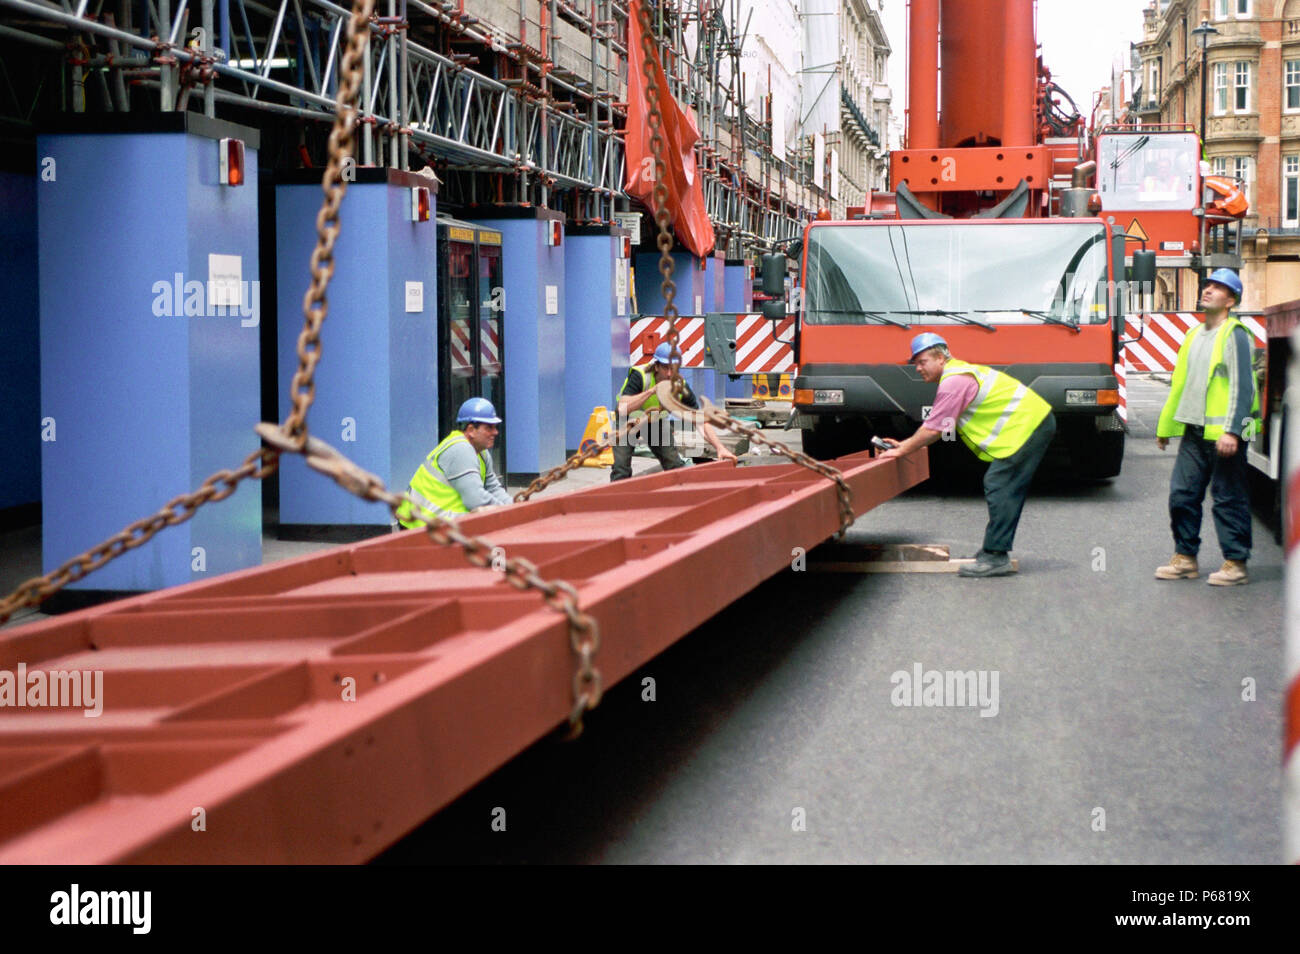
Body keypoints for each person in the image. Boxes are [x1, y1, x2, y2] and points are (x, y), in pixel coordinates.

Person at [878, 333, 1057, 578]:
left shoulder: (954, 382)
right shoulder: (958, 374)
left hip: (1028, 425)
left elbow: (934, 429)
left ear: (940, 358)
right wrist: (906, 445)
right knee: (1000, 483)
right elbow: (939, 426)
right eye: (916, 363)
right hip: (1030, 423)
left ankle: (996, 556)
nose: (918, 368)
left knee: (1000, 484)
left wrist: (903, 449)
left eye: (922, 362)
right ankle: (991, 551)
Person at [1154, 268, 1258, 585]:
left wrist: (1233, 431)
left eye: (1218, 287)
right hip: (1194, 432)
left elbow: (1244, 387)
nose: (1208, 289)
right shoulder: (1193, 335)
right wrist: (1165, 427)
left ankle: (1236, 564)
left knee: (1228, 498)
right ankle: (1185, 558)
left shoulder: (1235, 334)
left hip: (1223, 435)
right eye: (1208, 285)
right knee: (1181, 495)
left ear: (1231, 300)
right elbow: (1181, 384)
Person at [611, 341, 737, 481]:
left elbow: (701, 422)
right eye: (666, 368)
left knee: (674, 465)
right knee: (621, 468)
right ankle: (616, 500)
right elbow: (622, 409)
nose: (670, 374)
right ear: (657, 366)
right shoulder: (641, 376)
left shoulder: (681, 388)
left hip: (655, 424)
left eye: (674, 368)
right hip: (628, 422)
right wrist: (651, 391)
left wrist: (719, 447)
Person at [395, 397, 512, 527]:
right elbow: (476, 500)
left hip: (438, 524)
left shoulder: (481, 453)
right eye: (489, 427)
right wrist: (510, 512)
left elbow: (493, 488)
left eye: (495, 427)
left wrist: (515, 506)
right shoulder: (460, 449)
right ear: (471, 430)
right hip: (421, 527)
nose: (495, 432)